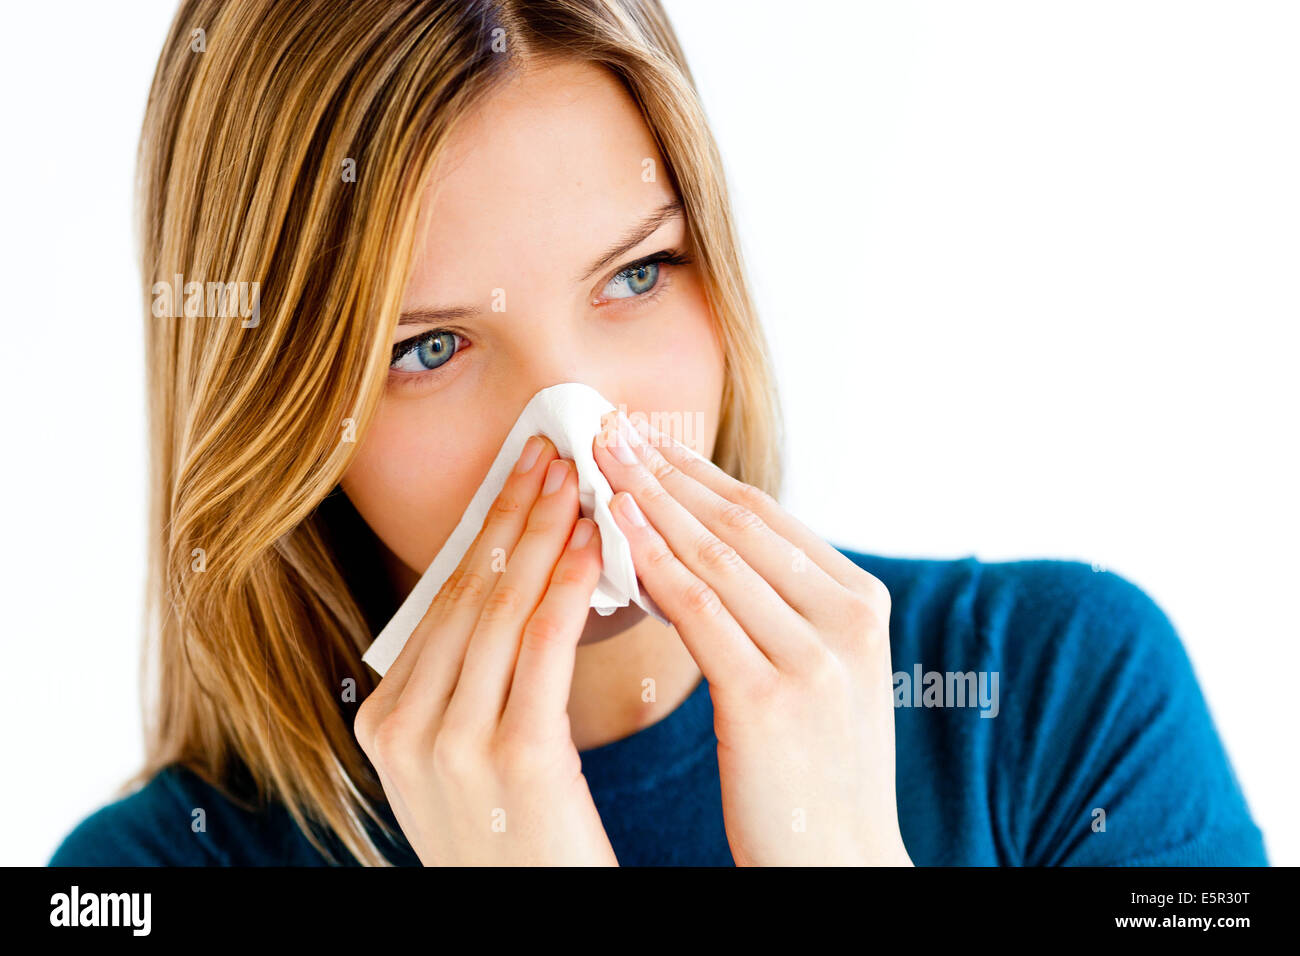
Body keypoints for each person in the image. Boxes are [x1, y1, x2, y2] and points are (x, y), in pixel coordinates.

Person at [49, 0, 1265, 866]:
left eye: (635, 276)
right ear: (285, 412)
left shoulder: (1062, 697)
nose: (581, 438)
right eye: (428, 348)